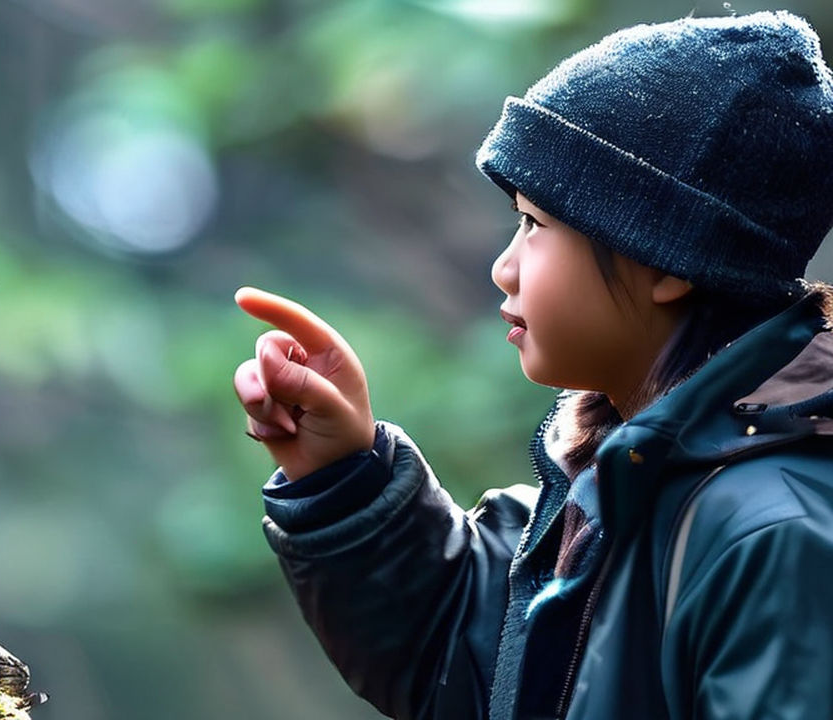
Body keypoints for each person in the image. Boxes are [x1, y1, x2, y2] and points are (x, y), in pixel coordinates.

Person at [233, 10, 833, 720]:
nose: (503, 269)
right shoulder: (623, 486)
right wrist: (342, 479)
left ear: (665, 257)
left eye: (535, 225)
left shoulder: (770, 536)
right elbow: (482, 667)